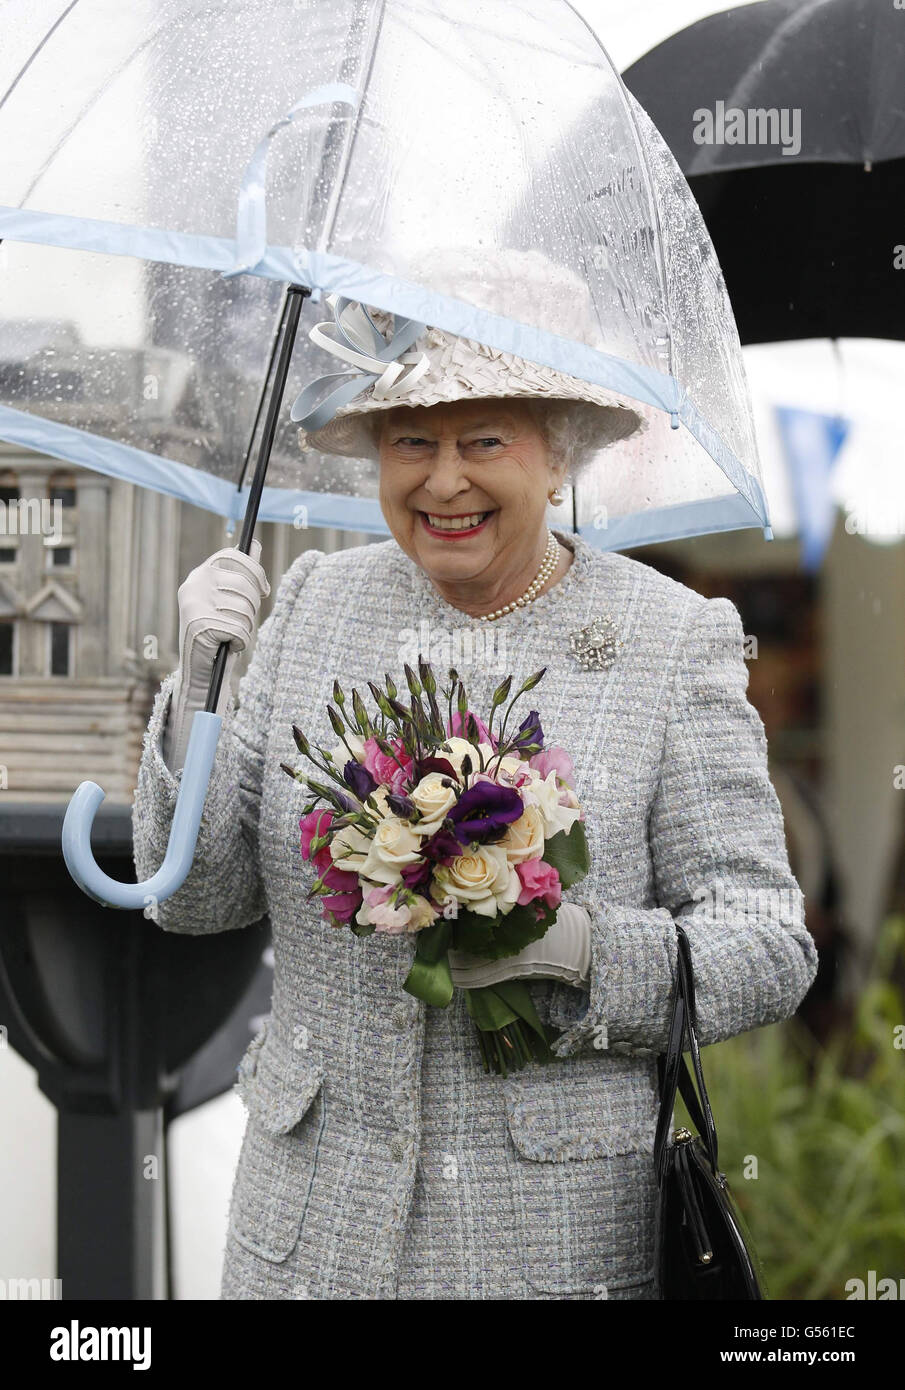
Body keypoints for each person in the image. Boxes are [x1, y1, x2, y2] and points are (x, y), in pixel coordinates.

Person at [132, 256, 818, 1300]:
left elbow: (767, 944)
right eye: (411, 440)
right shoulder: (311, 602)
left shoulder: (667, 640)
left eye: (482, 440)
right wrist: (197, 683)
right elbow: (193, 896)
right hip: (307, 1246)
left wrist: (577, 950)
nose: (442, 479)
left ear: (558, 455)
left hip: (550, 1251)